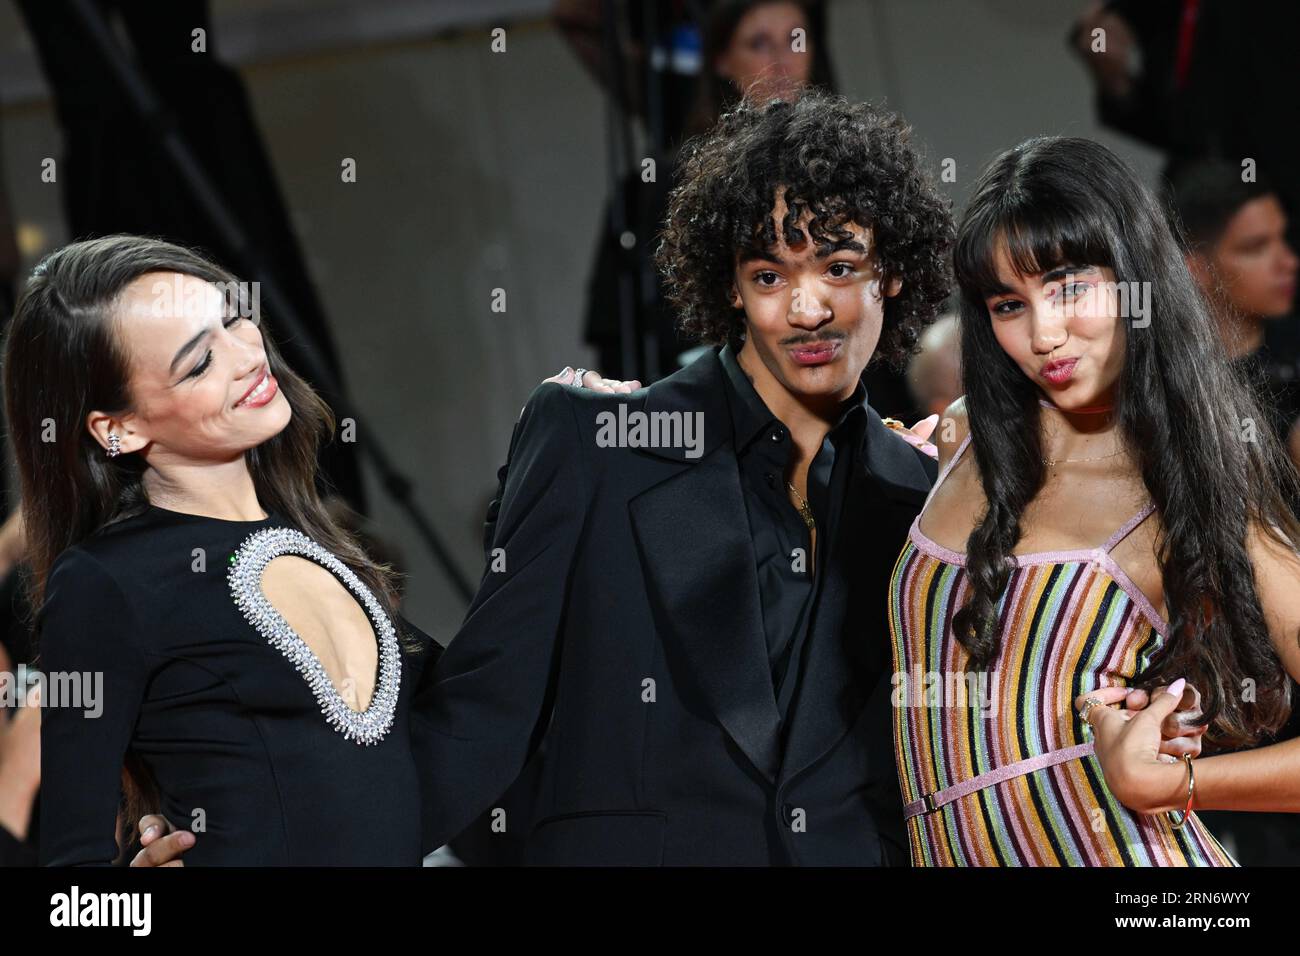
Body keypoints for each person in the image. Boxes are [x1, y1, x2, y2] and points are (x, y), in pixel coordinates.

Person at [412, 91, 953, 865]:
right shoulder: (598, 443)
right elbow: (482, 713)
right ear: (731, 286)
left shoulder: (925, 494)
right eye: (770, 275)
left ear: (889, 273)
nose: (807, 308)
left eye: (838, 267)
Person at [891, 135, 1300, 866]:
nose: (1044, 334)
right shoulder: (957, 441)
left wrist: (1168, 784)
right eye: (1009, 303)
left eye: (1070, 287)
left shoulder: (1191, 483)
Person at [15, 235, 441, 865]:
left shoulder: (310, 538)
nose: (248, 355)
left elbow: (469, 728)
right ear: (120, 428)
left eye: (235, 316)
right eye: (198, 364)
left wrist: (559, 449)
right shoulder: (105, 583)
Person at [1162, 159, 1300, 470]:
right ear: (1196, 268)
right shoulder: (1165, 380)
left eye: (1282, 238)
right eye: (1256, 247)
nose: (1288, 262)